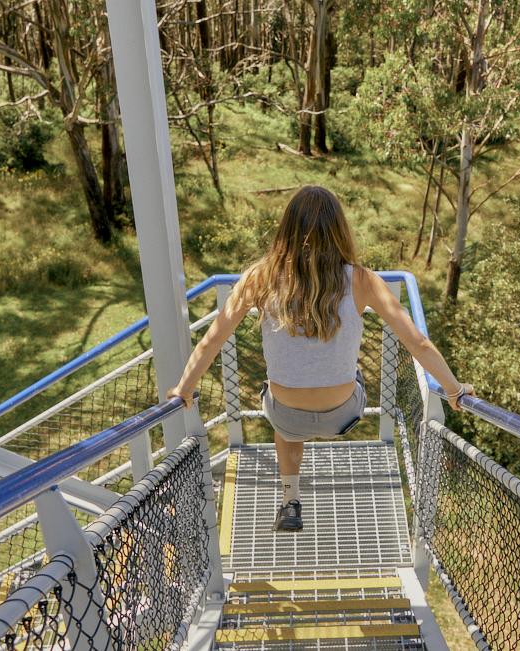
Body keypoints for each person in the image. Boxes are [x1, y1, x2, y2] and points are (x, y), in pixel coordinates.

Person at [166, 186, 473, 531]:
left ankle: (289, 500)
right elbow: (417, 342)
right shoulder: (362, 280)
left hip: (286, 413)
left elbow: (212, 340)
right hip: (343, 414)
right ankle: (294, 480)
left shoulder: (260, 278)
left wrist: (184, 388)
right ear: (339, 230)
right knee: (351, 376)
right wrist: (453, 389)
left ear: (287, 230)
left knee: (279, 408)